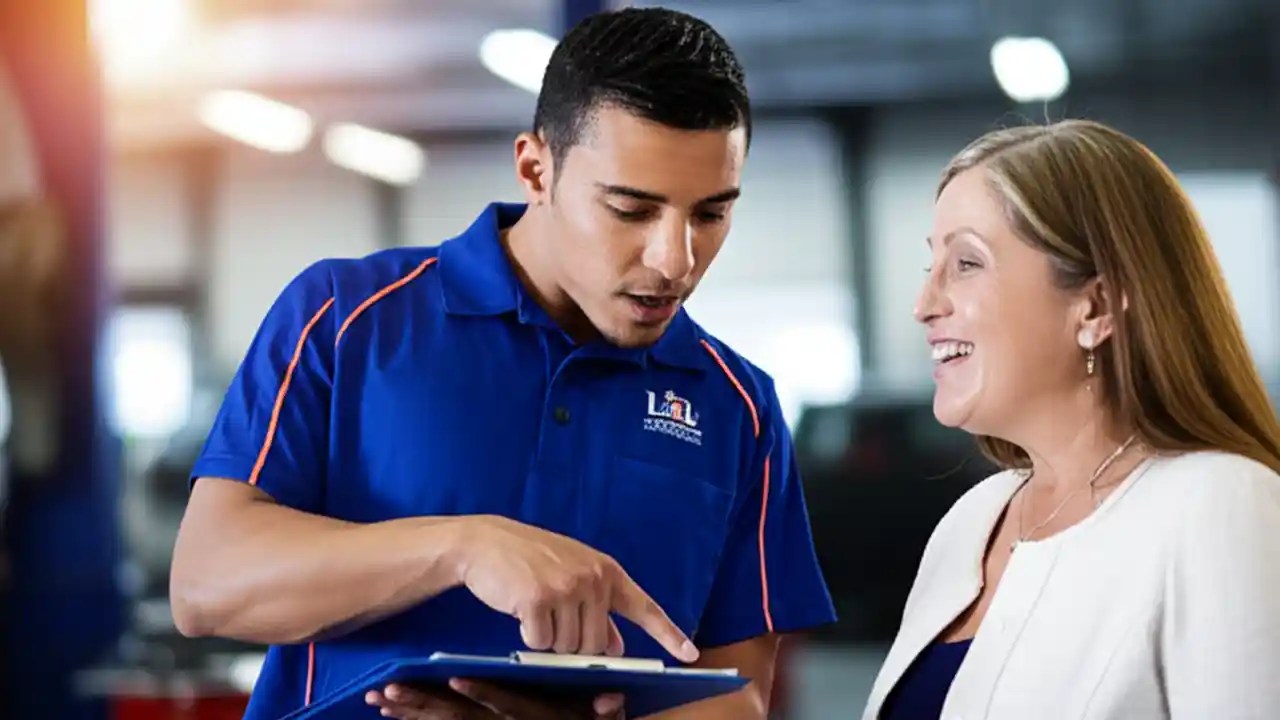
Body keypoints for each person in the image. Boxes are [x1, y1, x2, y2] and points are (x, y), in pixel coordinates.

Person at [170, 7, 835, 720]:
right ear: (535, 169)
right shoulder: (346, 318)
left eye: (710, 214)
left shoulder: (739, 408)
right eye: (631, 210)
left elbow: (739, 702)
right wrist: (462, 548)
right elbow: (207, 585)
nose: (675, 260)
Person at [860, 118, 1280, 720]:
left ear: (1097, 305)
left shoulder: (1218, 504)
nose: (925, 304)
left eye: (967, 264)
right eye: (931, 266)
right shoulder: (973, 521)